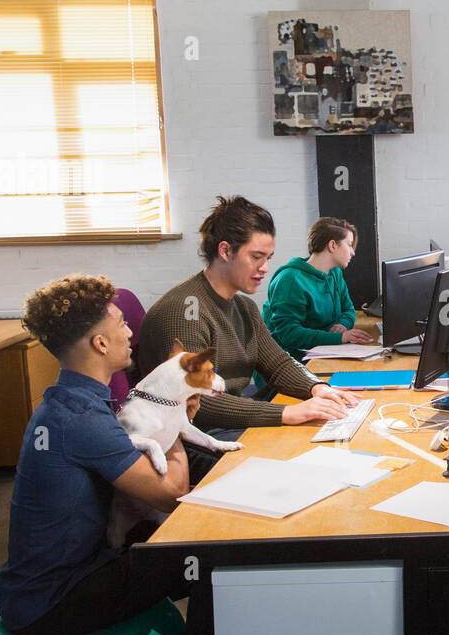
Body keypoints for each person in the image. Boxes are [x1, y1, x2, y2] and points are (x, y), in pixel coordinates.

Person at [0, 274, 215, 635]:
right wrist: (172, 427)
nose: (130, 331)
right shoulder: (81, 418)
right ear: (100, 343)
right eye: (120, 323)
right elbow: (172, 492)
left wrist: (173, 418)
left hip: (60, 575)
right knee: (211, 561)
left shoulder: (72, 400)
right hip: (54, 600)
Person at [138, 196, 360, 481]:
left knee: (331, 445)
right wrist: (286, 413)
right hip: (195, 438)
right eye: (256, 257)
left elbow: (277, 362)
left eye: (267, 258)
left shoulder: (242, 306)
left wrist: (316, 388)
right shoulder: (186, 310)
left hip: (229, 423)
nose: (265, 268)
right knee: (313, 468)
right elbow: (197, 403)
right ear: (226, 251)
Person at [262, 216, 374, 361]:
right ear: (332, 245)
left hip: (322, 352)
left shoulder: (335, 272)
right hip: (289, 363)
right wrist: (340, 337)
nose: (353, 252)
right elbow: (289, 334)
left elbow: (349, 309)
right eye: (349, 244)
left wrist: (342, 324)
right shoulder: (290, 280)